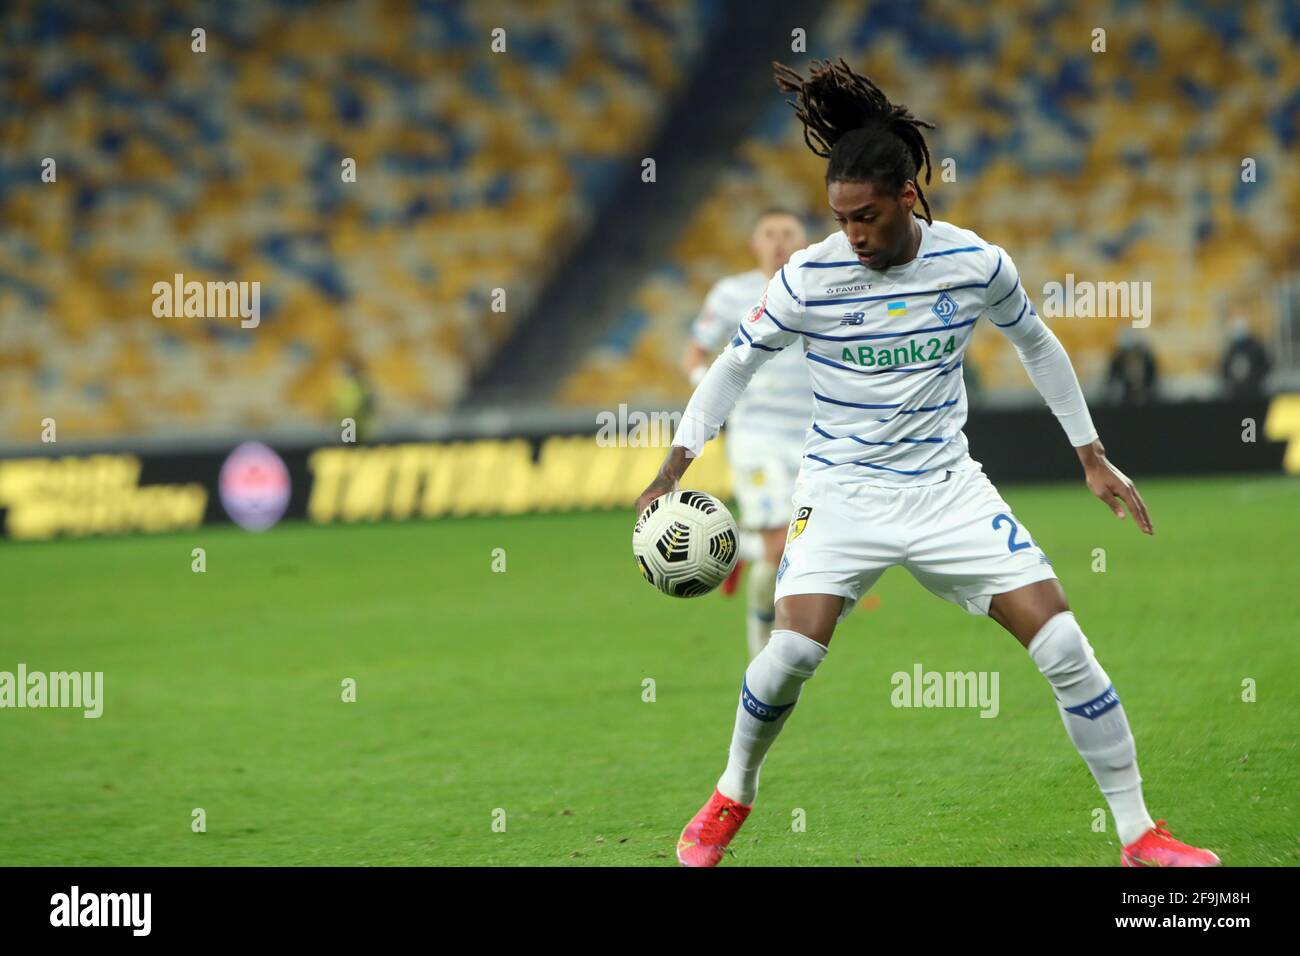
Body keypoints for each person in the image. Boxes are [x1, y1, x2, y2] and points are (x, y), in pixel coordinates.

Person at [634, 59, 1220, 868]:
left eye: (867, 217)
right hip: (840, 493)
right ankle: (733, 793)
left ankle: (1137, 834)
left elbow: (1038, 345)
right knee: (792, 653)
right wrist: (673, 468)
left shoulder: (975, 264)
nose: (855, 236)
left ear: (909, 194)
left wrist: (1092, 456)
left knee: (1063, 646)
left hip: (947, 491)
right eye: (841, 220)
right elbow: (732, 365)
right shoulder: (807, 278)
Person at [682, 208, 813, 659]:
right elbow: (696, 351)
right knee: (780, 547)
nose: (779, 240)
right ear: (754, 244)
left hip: (815, 434)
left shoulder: (822, 288)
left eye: (788, 232)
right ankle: (768, 643)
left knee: (810, 544)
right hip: (757, 433)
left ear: (804, 241)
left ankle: (740, 543)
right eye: (769, 233)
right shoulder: (731, 292)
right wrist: (712, 390)